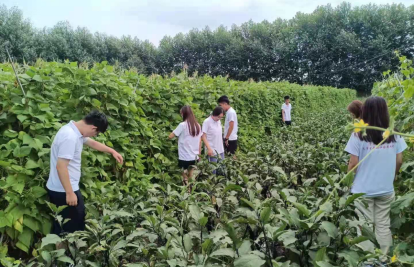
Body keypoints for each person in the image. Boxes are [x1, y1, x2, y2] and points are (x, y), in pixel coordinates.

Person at [345, 96, 407, 265]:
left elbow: (353, 163)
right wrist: (392, 175)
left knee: (364, 227)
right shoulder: (394, 135)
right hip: (385, 189)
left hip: (362, 190)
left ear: (366, 111)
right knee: (383, 226)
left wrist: (348, 181)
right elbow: (399, 160)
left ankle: (367, 262)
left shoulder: (358, 134)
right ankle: (383, 260)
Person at [46, 111, 123, 235]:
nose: (94, 136)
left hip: (63, 187)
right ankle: (67, 253)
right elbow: (61, 167)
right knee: (72, 228)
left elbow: (91, 143)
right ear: (93, 128)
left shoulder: (73, 130)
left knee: (64, 224)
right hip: (64, 190)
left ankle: (63, 251)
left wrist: (112, 151)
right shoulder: (70, 137)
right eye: (96, 133)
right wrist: (70, 193)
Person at [168, 106, 213, 186]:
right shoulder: (197, 125)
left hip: (184, 156)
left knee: (184, 176)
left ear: (183, 114)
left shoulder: (182, 125)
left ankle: (187, 193)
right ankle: (192, 192)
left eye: (181, 113)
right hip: (194, 156)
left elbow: (170, 136)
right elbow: (200, 141)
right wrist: (199, 155)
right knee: (192, 177)